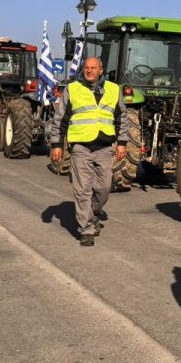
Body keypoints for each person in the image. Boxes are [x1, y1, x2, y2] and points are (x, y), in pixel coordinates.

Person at [49, 56, 127, 247]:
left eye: (93, 68)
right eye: (86, 68)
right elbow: (60, 119)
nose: (89, 71)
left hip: (104, 147)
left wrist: (122, 142)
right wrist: (56, 145)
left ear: (101, 70)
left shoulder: (113, 89)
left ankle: (92, 214)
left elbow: (121, 117)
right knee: (82, 190)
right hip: (80, 148)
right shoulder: (72, 89)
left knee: (104, 188)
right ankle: (87, 230)